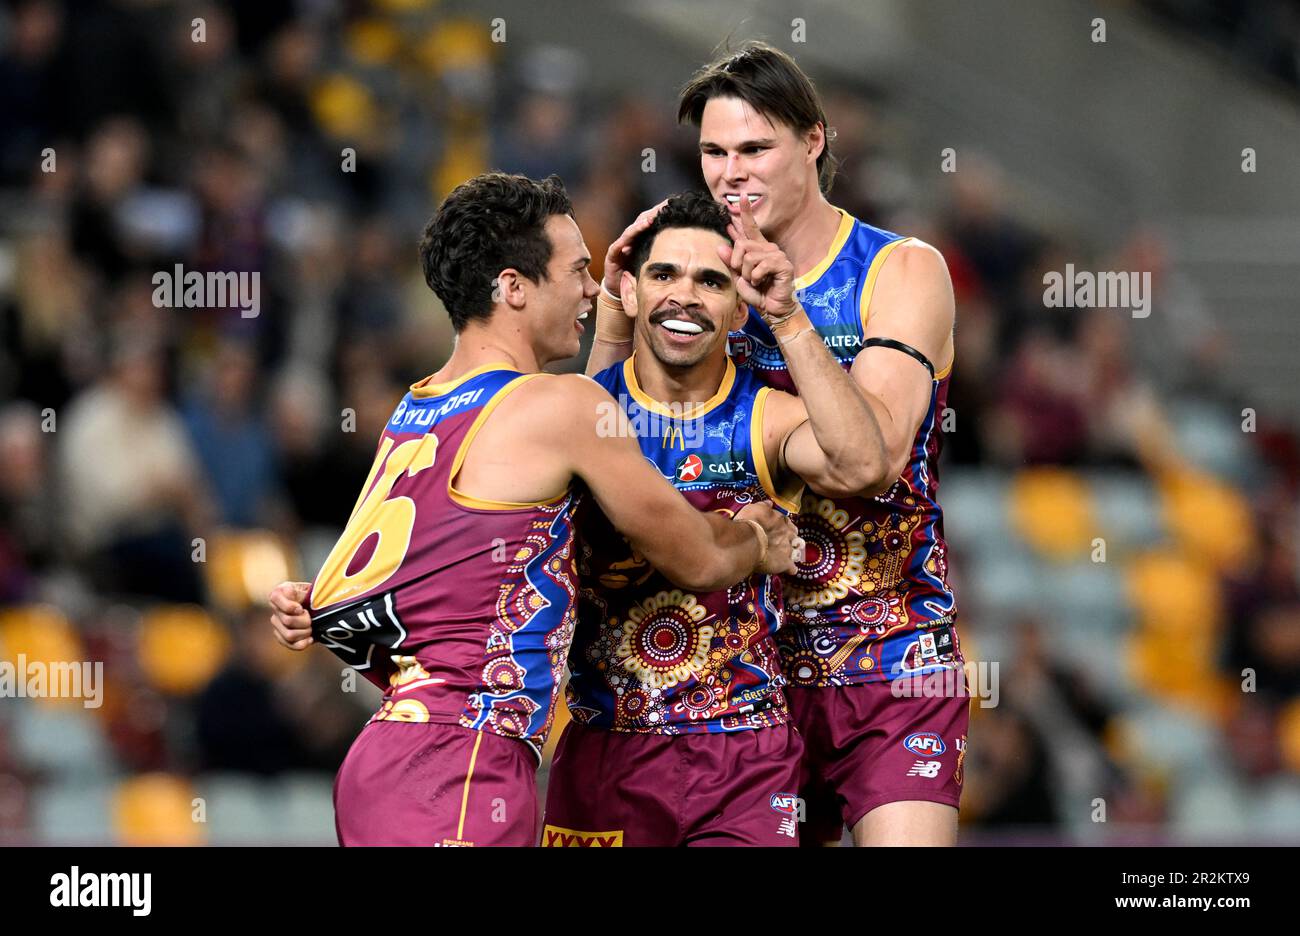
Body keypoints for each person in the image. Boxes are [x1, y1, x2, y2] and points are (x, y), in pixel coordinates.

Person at [268, 171, 797, 847]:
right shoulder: (559, 407)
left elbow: (374, 599)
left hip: (395, 759)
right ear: (514, 288)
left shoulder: (417, 409)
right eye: (578, 270)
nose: (591, 288)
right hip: (459, 765)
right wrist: (757, 537)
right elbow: (697, 557)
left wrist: (306, 601)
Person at [590, 43, 965, 847]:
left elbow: (878, 458)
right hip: (742, 674)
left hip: (888, 652)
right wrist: (616, 319)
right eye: (714, 153)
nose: (732, 174)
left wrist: (787, 315)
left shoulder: (897, 271)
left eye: (755, 149)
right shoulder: (697, 273)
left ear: (814, 142)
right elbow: (613, 439)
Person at [544, 191, 879, 846]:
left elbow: (863, 465)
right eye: (663, 274)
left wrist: (786, 316)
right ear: (632, 292)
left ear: (735, 306)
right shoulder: (573, 411)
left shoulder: (766, 417)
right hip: (601, 751)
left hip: (743, 762)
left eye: (711, 281)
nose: (684, 296)